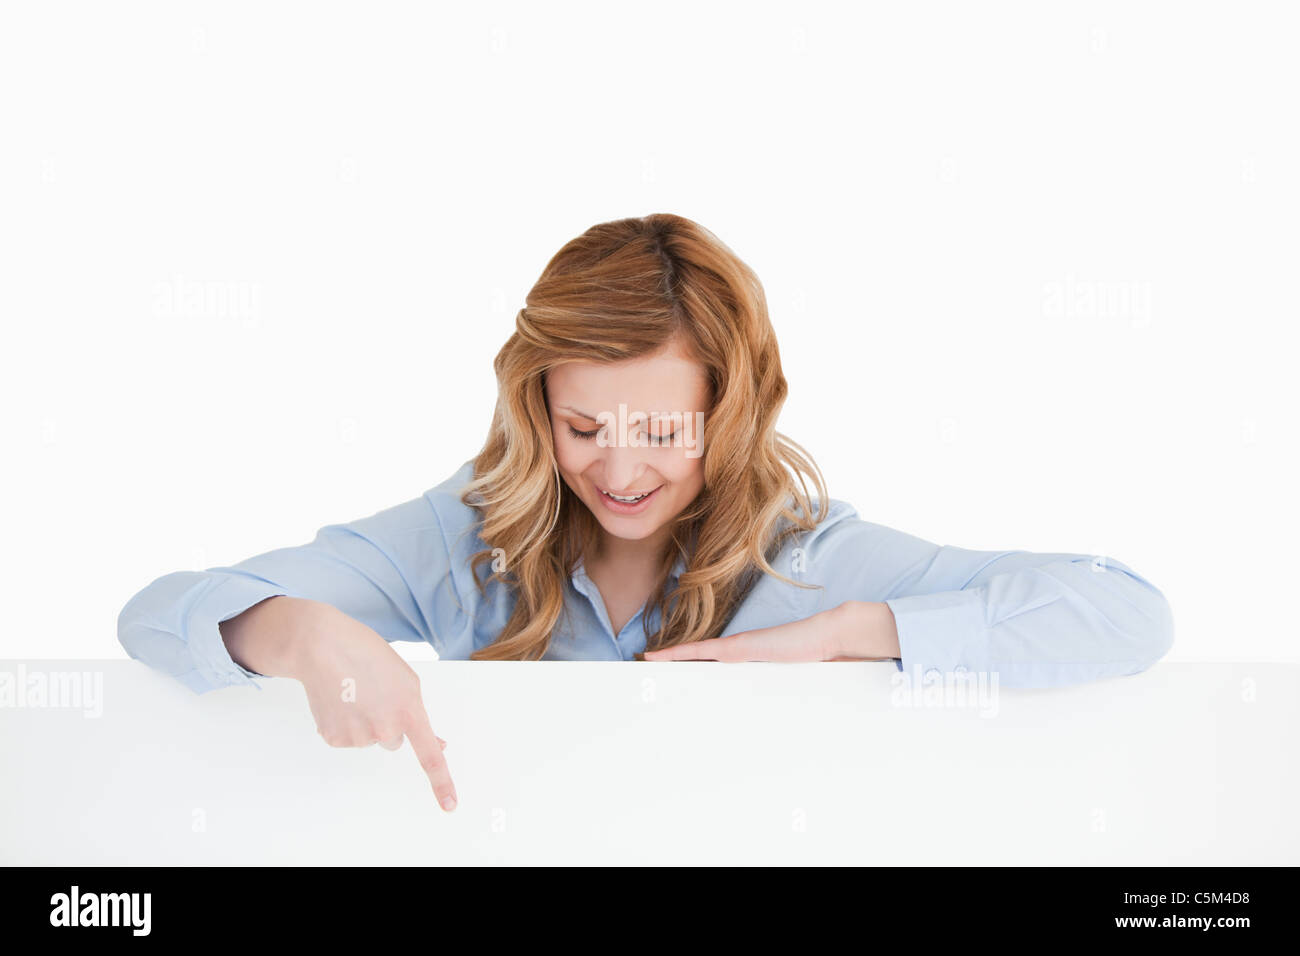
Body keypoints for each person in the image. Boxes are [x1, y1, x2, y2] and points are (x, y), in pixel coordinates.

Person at [117, 213, 1175, 812]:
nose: (619, 471)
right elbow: (156, 611)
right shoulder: (463, 538)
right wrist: (303, 633)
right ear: (536, 404)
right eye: (582, 427)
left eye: (664, 431)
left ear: (731, 408)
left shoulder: (807, 557)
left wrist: (841, 637)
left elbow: (1125, 613)